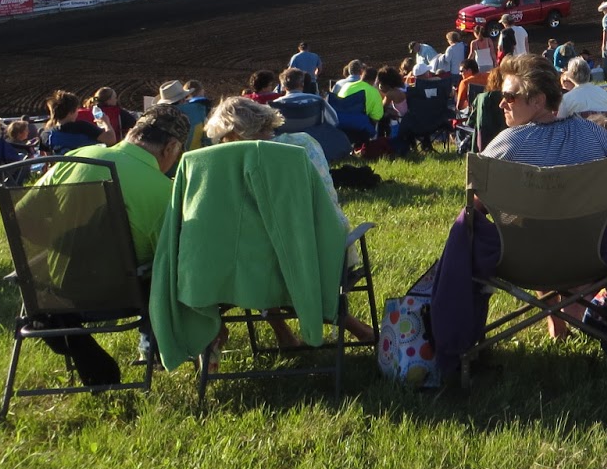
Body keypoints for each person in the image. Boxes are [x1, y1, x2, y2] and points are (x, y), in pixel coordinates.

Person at [32, 104, 190, 384]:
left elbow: (22, 215)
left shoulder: (79, 156)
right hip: (119, 297)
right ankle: (158, 351)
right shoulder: (164, 191)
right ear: (171, 148)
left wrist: (66, 244)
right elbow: (173, 261)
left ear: (132, 132)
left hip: (54, 291)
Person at [201, 96, 375, 345]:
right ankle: (348, 332)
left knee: (257, 252)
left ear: (237, 133)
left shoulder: (244, 161)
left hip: (280, 261)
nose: (223, 144)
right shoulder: (304, 142)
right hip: (324, 247)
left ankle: (292, 334)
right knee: (268, 248)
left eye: (224, 138)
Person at [482, 55, 607, 167]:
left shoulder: (509, 143)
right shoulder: (598, 136)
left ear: (538, 100)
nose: (501, 104)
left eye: (509, 97)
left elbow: (475, 196)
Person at [40, 90, 100, 155]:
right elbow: (110, 140)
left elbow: (47, 160)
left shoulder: (46, 134)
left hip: (61, 164)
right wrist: (106, 122)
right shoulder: (84, 127)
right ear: (71, 112)